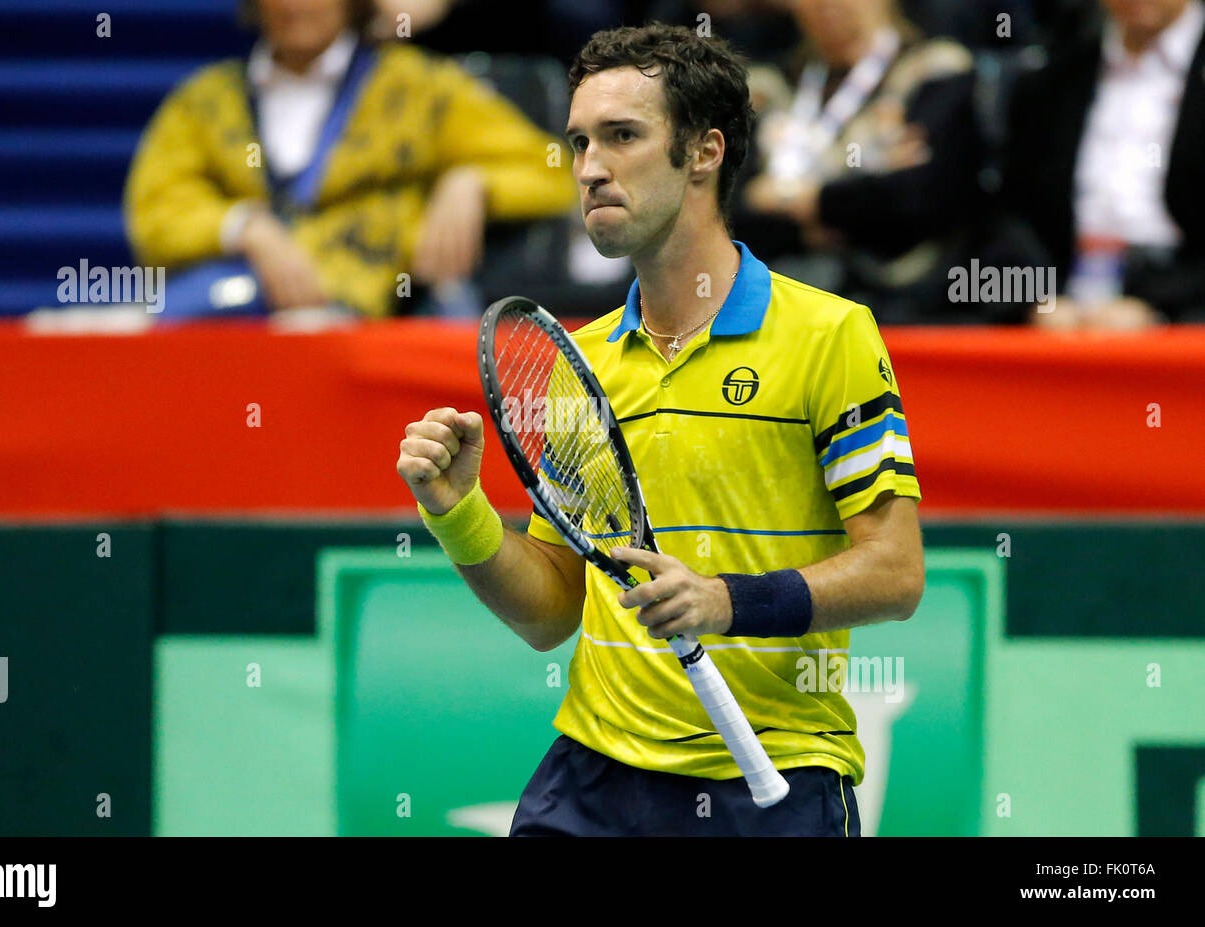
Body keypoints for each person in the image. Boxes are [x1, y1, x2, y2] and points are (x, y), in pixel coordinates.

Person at [396, 24, 924, 837]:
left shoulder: (830, 336)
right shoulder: (586, 363)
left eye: (622, 136)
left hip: (776, 783)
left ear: (704, 152)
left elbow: (895, 573)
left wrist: (723, 602)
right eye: (578, 142)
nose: (589, 168)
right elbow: (549, 613)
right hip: (592, 782)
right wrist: (457, 510)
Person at [124, 0, 574, 322]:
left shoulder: (417, 86)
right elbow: (154, 214)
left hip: (363, 327)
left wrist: (472, 182)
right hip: (230, 322)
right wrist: (244, 227)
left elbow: (552, 169)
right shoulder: (203, 100)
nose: (294, 5)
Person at [732, 0, 984, 323]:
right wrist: (867, 177)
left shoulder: (934, 70)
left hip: (901, 302)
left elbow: (918, 201)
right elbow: (731, 210)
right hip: (779, 297)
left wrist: (794, 199)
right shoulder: (766, 87)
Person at [1003, 0, 1205, 328]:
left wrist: (1161, 305)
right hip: (1068, 300)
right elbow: (1015, 207)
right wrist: (1038, 297)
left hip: (1185, 308)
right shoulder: (1057, 69)